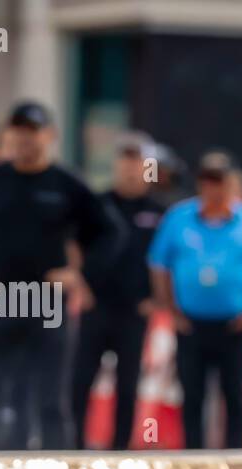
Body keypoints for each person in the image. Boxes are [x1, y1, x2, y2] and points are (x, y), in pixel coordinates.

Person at [0, 101, 123, 451]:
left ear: (50, 135)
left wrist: (80, 274)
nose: (25, 139)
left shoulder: (66, 183)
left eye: (33, 131)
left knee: (51, 399)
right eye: (18, 131)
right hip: (0, 297)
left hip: (47, 300)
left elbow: (109, 232)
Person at [148, 149, 242, 448]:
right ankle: (193, 454)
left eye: (219, 180)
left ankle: (235, 455)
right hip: (191, 323)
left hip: (233, 323)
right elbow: (159, 264)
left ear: (231, 183)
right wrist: (170, 310)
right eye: (208, 180)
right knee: (192, 394)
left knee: (235, 394)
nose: (213, 188)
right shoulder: (179, 217)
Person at [71, 132, 164, 450]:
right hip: (96, 305)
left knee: (128, 383)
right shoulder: (98, 204)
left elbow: (167, 259)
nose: (129, 168)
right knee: (81, 377)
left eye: (136, 161)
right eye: (124, 160)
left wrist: (156, 299)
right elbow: (73, 243)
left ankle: (120, 448)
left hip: (134, 310)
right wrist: (80, 284)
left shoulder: (158, 212)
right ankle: (73, 446)